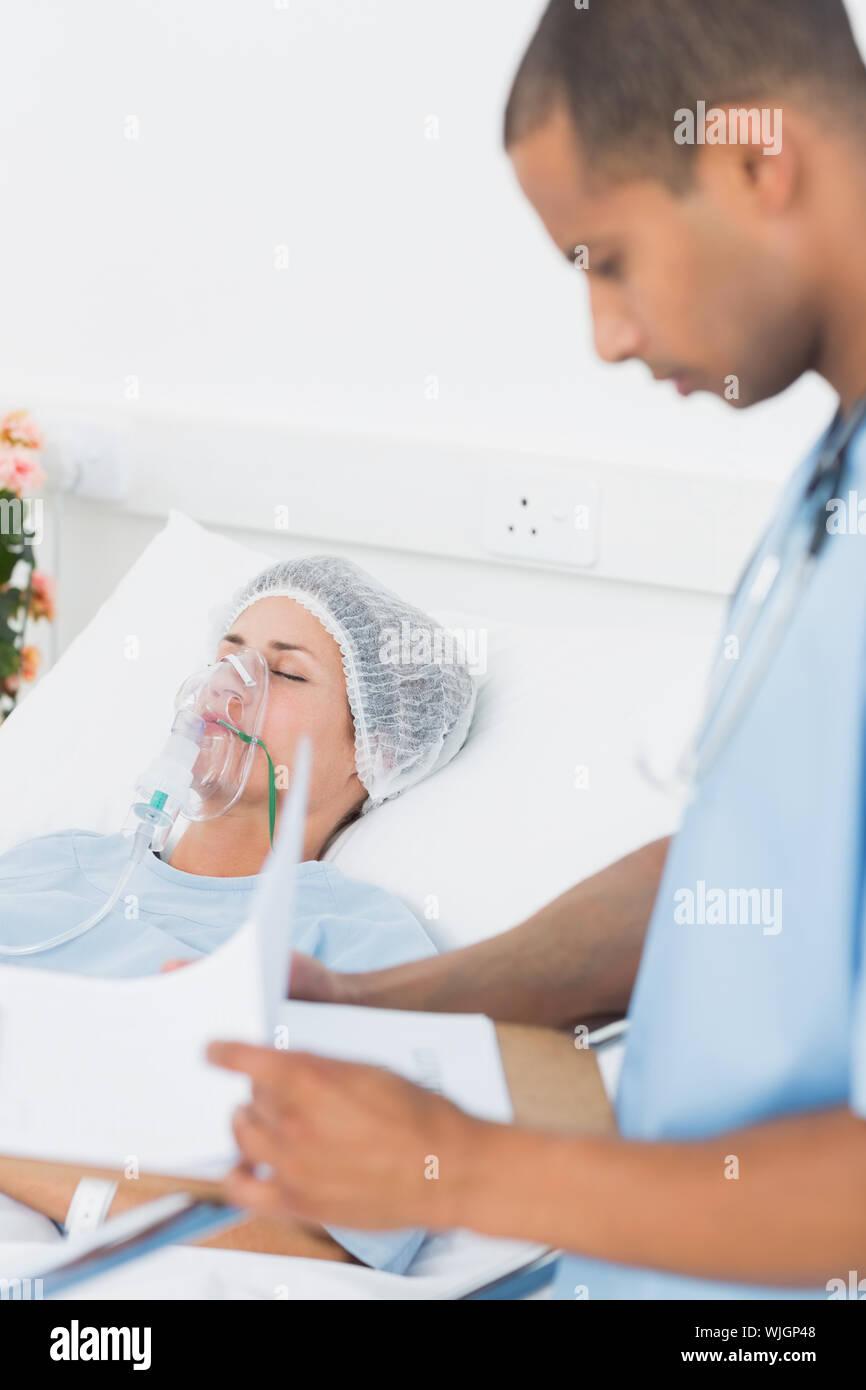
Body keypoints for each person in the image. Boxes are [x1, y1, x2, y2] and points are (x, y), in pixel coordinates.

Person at [207, 0, 866, 1300]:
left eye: (606, 256)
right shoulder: (825, 494)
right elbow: (744, 876)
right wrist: (380, 1008)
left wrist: (457, 1167)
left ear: (758, 159)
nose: (605, 335)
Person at [0, 555, 476, 1273]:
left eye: (285, 674)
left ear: (370, 750)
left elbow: (335, 1247)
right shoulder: (53, 865)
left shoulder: (356, 946)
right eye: (229, 657)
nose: (229, 689)